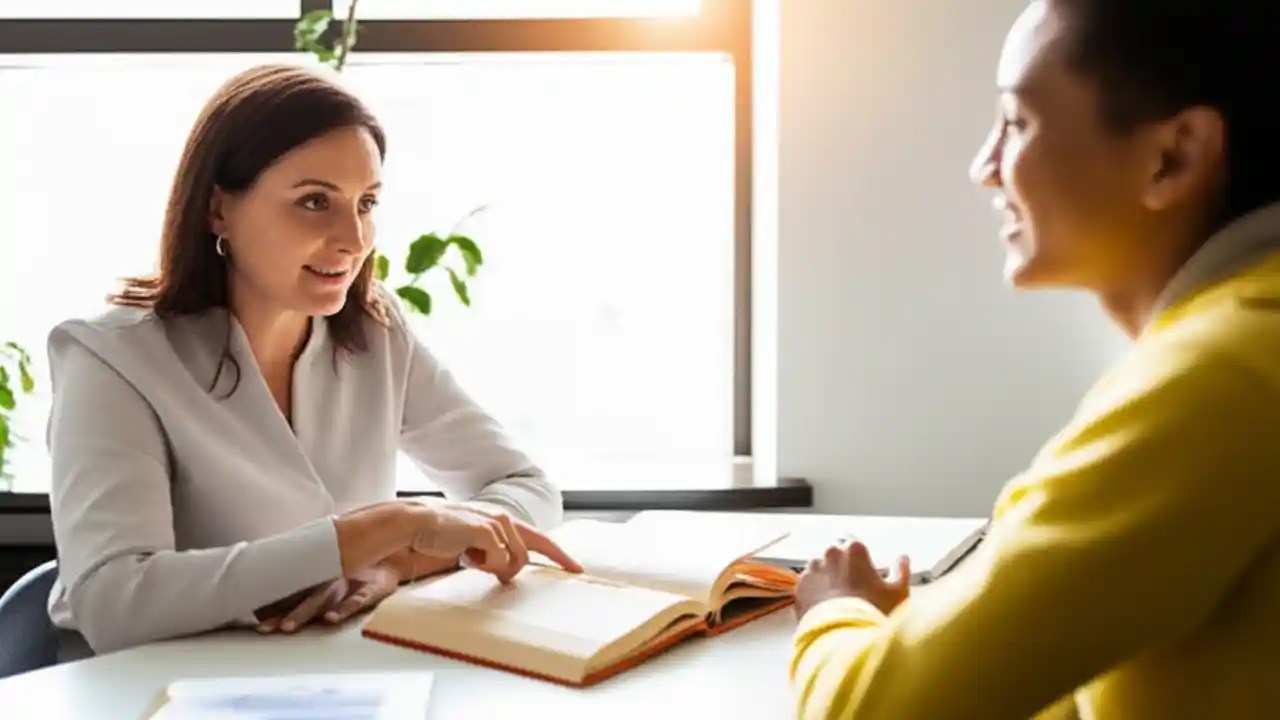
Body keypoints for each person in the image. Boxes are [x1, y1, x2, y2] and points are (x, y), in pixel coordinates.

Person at [789, 1, 1280, 718]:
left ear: (1173, 157)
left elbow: (873, 711)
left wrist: (836, 614)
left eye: (1016, 122)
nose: (984, 169)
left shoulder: (1223, 378)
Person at [45, 63, 581, 659]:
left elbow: (525, 487)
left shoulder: (376, 334)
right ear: (219, 209)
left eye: (367, 202)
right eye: (314, 202)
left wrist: (401, 561)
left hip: (332, 678)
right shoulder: (110, 359)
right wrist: (378, 529)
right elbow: (116, 603)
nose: (354, 238)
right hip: (149, 692)